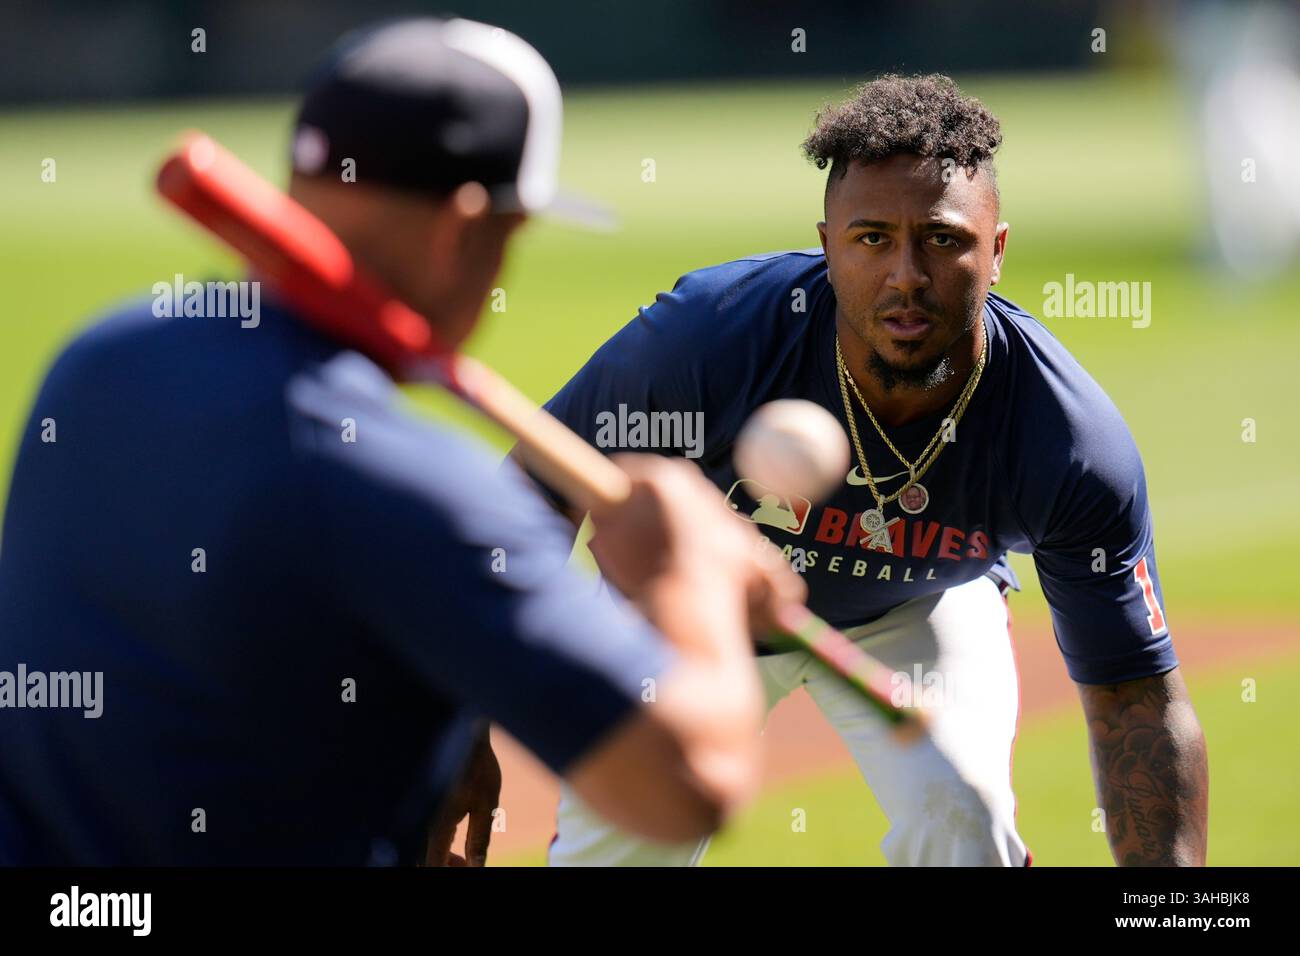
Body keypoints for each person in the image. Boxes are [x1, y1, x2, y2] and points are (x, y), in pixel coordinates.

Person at [0, 17, 800, 866]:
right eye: (509, 236)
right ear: (463, 229)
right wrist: (696, 582)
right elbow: (688, 782)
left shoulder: (97, 362)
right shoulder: (412, 483)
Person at [532, 74, 1209, 866]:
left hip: (916, 604)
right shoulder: (705, 340)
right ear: (826, 245)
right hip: (695, 600)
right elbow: (533, 483)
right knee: (621, 847)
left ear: (996, 251)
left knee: (963, 813)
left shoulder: (1067, 442)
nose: (907, 276)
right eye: (873, 238)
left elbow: (1134, 696)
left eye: (945, 239)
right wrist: (461, 730)